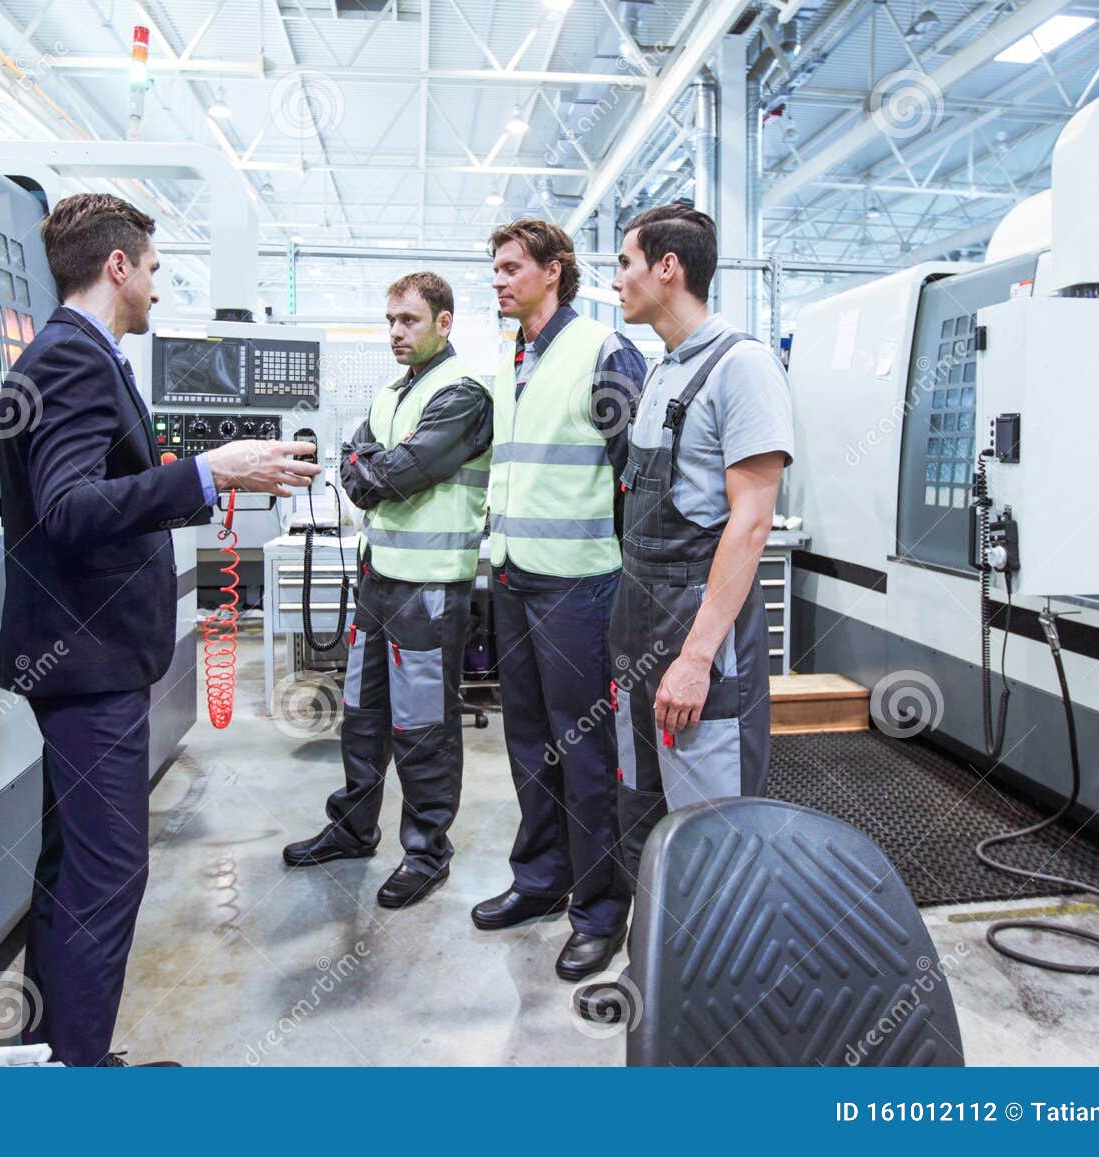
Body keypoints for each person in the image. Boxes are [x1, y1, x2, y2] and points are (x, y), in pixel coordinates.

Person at [0, 193, 319, 1065]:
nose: (158, 289)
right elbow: (66, 508)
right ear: (117, 267)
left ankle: (52, 1057)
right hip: (87, 662)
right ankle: (83, 1074)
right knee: (108, 877)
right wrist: (208, 474)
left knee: (72, 871)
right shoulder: (73, 359)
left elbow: (93, 487)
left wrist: (203, 476)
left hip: (88, 656)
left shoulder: (79, 355)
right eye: (154, 269)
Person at [580, 202, 793, 1020]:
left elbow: (750, 521)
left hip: (698, 630)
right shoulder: (662, 366)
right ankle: (659, 984)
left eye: (627, 261)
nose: (618, 278)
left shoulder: (741, 368)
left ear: (669, 266)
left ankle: (726, 1007)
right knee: (641, 807)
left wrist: (698, 654)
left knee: (712, 825)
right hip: (637, 619)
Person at [283, 273, 493, 909]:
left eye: (410, 320)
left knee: (423, 725)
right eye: (392, 320)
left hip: (430, 587)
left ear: (444, 322)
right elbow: (358, 462)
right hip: (379, 580)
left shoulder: (462, 395)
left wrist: (371, 470)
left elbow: (397, 476)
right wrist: (369, 468)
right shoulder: (390, 393)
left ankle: (427, 851)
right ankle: (353, 827)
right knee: (363, 713)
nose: (397, 332)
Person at [475, 219, 646, 983]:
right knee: (526, 739)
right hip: (512, 578)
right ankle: (542, 878)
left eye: (512, 267)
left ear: (553, 271)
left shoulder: (602, 352)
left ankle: (602, 908)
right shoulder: (513, 355)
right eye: (496, 268)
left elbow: (637, 478)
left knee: (584, 749)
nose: (499, 279)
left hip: (578, 582)